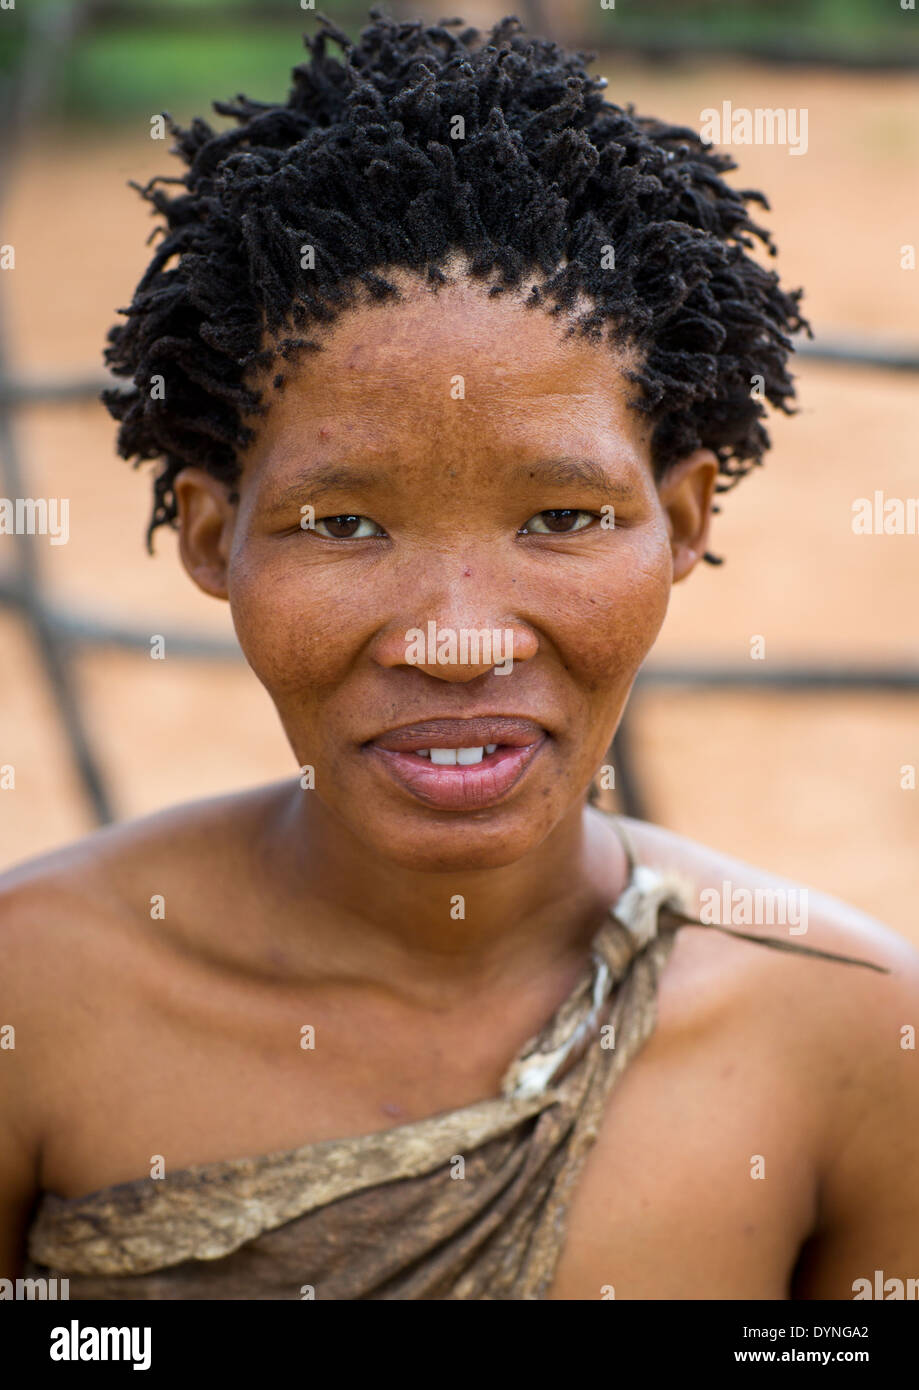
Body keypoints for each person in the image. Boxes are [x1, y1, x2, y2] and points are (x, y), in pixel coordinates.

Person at [1, 12, 917, 1301]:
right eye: (344, 523)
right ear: (214, 540)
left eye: (561, 517)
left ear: (685, 523)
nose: (456, 640)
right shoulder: (36, 999)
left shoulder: (847, 1039)